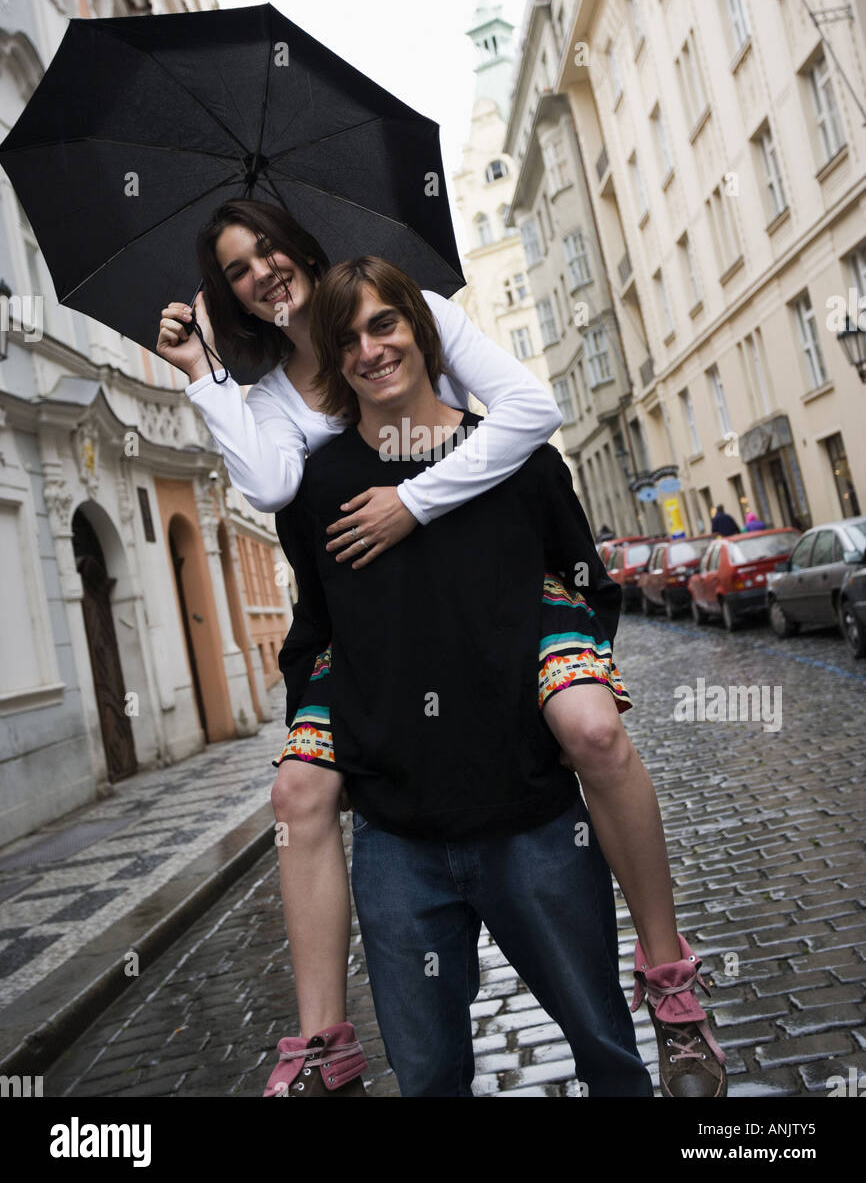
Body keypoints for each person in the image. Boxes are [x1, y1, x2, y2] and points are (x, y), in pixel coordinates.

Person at [157, 207, 726, 1098]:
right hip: (390, 736)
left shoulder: (508, 444)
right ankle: (322, 1044)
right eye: (236, 269)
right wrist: (203, 377)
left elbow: (540, 440)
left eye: (387, 327)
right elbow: (274, 493)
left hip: (517, 714)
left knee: (595, 731)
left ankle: (670, 976)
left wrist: (418, 503)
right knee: (300, 793)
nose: (370, 347)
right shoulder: (291, 437)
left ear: (422, 329)